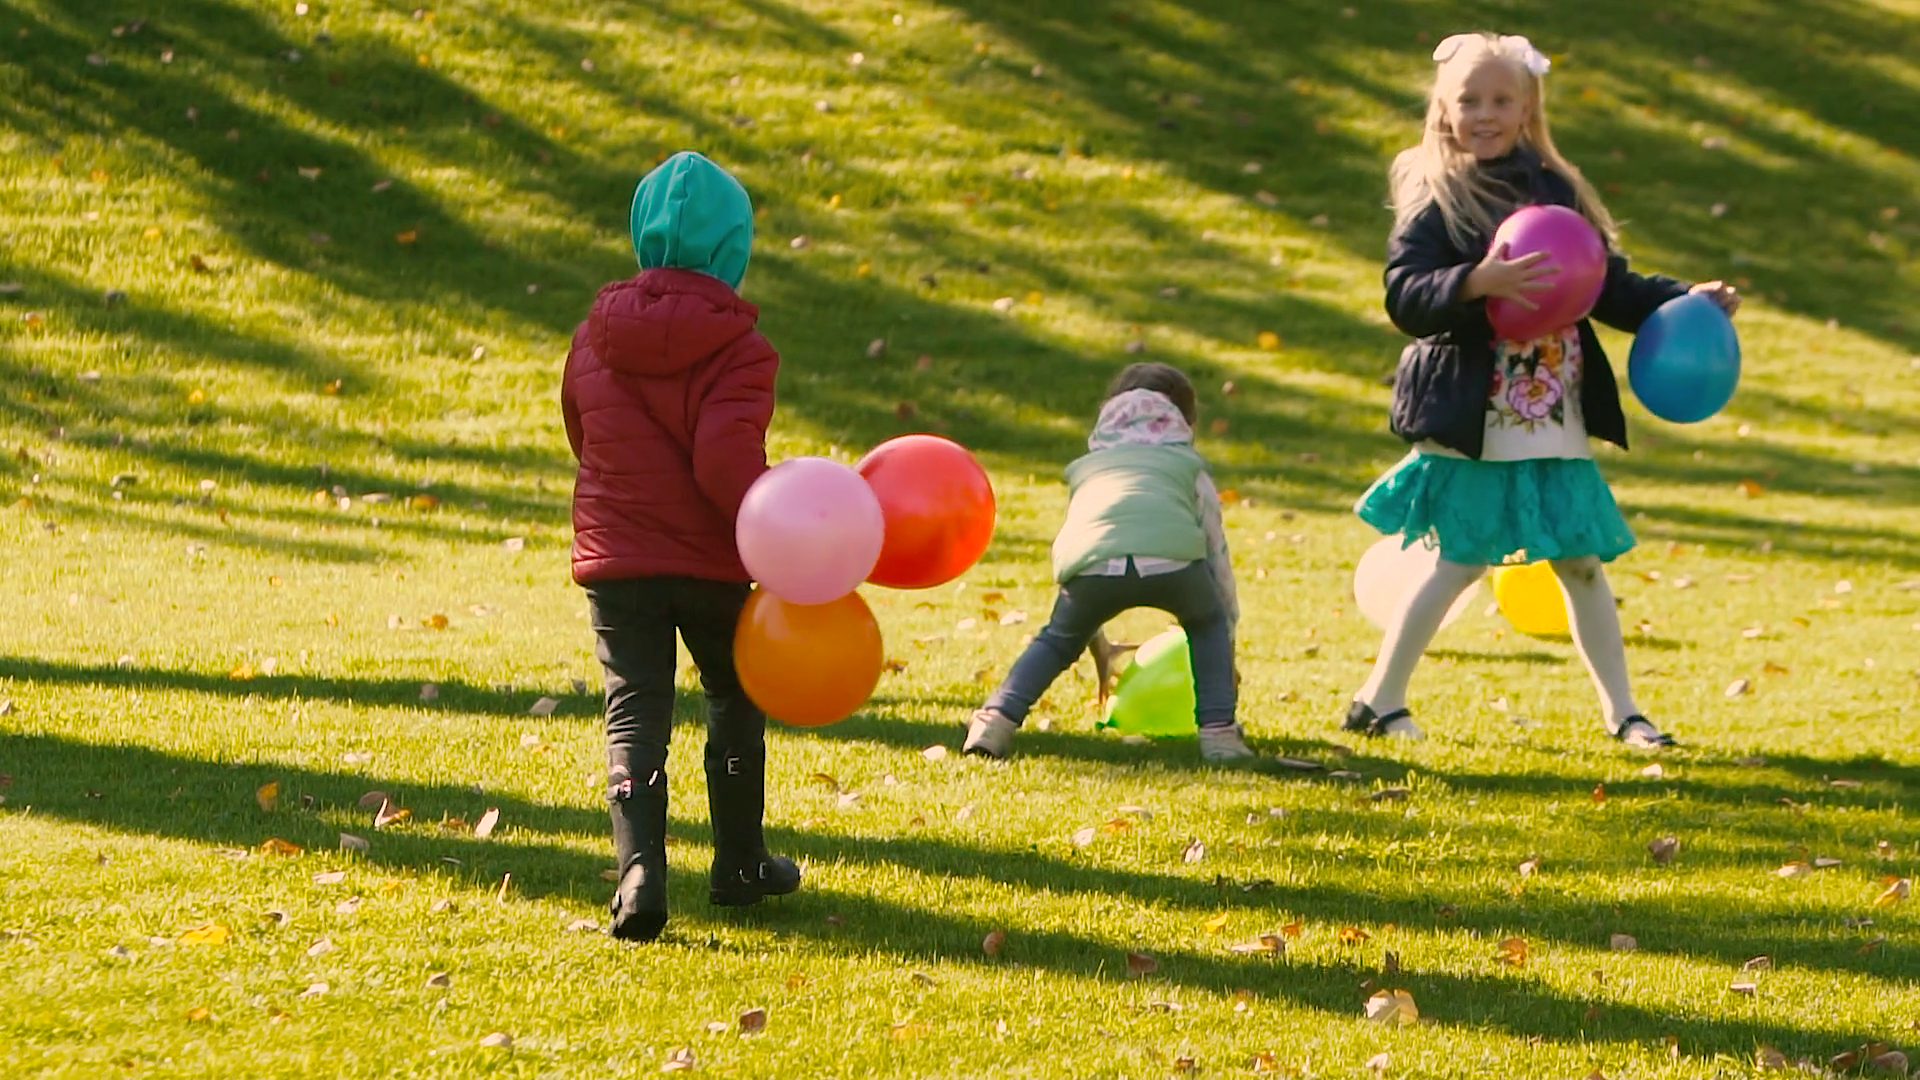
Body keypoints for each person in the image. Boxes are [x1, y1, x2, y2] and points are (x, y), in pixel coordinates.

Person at [1344, 32, 1741, 748]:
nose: (1484, 113)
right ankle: (1380, 698)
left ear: (1528, 108)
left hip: (1551, 412)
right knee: (1460, 560)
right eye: (1469, 100)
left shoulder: (1552, 188)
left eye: (1501, 100)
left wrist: (1686, 300)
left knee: (1581, 561)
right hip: (1477, 410)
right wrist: (1475, 281)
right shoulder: (1436, 194)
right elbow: (1405, 295)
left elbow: (1605, 285)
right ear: (1444, 106)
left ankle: (1625, 714)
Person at [562, 151, 799, 942]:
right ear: (734, 251)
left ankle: (639, 871)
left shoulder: (593, 337)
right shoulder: (740, 347)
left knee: (635, 708)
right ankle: (738, 862)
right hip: (712, 561)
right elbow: (725, 463)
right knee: (735, 694)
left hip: (619, 558)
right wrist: (775, 523)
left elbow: (580, 432)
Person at [963, 362, 1252, 763]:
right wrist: (1227, 617)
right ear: (1185, 419)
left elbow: (1084, 536)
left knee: (1057, 641)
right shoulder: (1187, 467)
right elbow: (1214, 544)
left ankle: (994, 721)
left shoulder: (1092, 468)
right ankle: (1219, 734)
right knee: (1206, 626)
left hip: (1091, 569)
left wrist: (1081, 616)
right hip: (1174, 565)